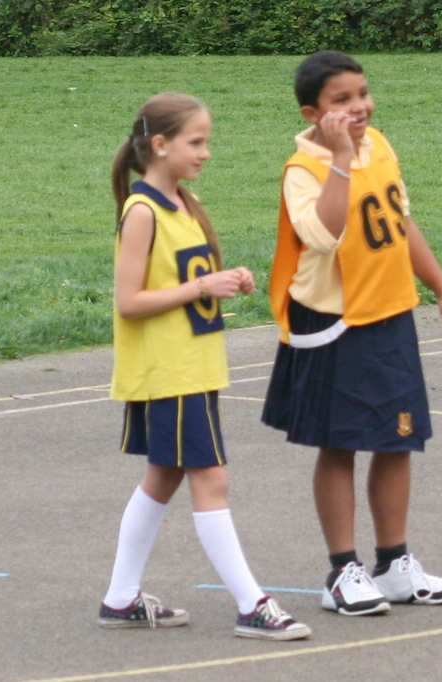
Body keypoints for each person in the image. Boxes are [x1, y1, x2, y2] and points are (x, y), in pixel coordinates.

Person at [262, 52, 442, 616]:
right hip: (334, 322)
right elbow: (325, 234)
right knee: (339, 442)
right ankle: (341, 570)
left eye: (362, 93)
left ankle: (394, 563)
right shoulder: (303, 170)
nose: (358, 107)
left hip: (387, 313)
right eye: (342, 100)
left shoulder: (378, 145)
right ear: (313, 113)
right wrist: (341, 159)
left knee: (398, 438)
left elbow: (398, 222)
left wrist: (441, 287)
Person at [99, 92, 310, 641]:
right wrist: (201, 286)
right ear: (160, 144)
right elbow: (128, 301)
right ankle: (252, 605)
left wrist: (227, 280)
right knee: (212, 479)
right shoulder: (142, 211)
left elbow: (186, 281)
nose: (205, 152)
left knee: (164, 475)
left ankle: (120, 598)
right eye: (196, 142)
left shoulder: (185, 204)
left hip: (194, 366)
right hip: (168, 372)